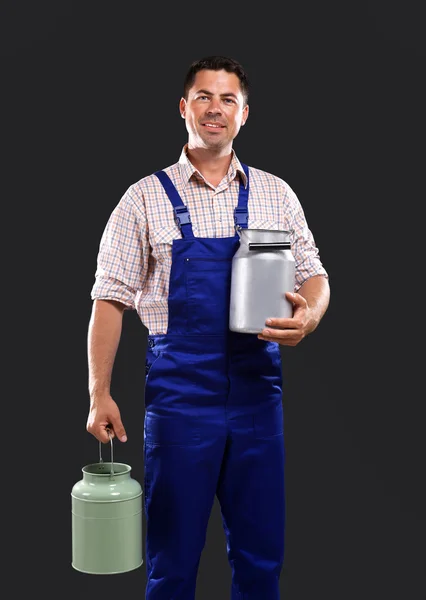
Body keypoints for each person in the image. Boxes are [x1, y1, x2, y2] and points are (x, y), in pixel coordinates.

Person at [87, 55, 330, 600]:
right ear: (183, 107)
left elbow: (314, 274)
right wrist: (99, 392)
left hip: (256, 396)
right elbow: (109, 300)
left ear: (245, 113)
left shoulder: (276, 194)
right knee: (171, 562)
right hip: (178, 400)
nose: (214, 109)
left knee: (260, 558)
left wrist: (308, 316)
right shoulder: (143, 199)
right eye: (203, 96)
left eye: (227, 99)